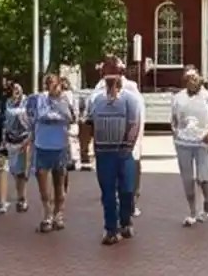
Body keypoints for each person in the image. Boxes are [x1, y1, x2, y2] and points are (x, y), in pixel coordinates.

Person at [88, 74, 142, 245]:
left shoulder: (130, 100)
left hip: (124, 153)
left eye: (114, 84)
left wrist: (127, 146)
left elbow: (134, 123)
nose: (111, 88)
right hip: (103, 152)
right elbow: (89, 121)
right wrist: (87, 146)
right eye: (108, 84)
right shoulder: (96, 100)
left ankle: (125, 221)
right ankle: (111, 229)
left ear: (119, 85)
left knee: (127, 190)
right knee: (108, 192)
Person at [171, 68, 208, 226]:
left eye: (194, 77)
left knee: (203, 175)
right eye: (188, 78)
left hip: (203, 143)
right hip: (183, 143)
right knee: (187, 178)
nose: (192, 80)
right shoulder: (178, 98)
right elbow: (173, 120)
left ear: (199, 78)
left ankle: (207, 204)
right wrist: (177, 134)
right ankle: (193, 211)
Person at [28, 73, 76, 233]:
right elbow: (38, 116)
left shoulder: (66, 99)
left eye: (54, 84)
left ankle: (59, 214)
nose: (51, 87)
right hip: (42, 145)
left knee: (59, 182)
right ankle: (47, 214)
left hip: (60, 146)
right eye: (48, 84)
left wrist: (59, 108)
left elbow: (70, 118)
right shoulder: (39, 99)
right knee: (42, 181)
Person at [0, 82, 30, 215]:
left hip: (23, 140)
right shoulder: (6, 103)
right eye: (14, 88)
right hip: (6, 139)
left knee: (19, 172)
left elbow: (29, 121)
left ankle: (22, 198)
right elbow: (3, 122)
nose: (16, 91)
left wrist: (29, 140)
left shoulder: (28, 103)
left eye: (18, 88)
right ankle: (1, 201)